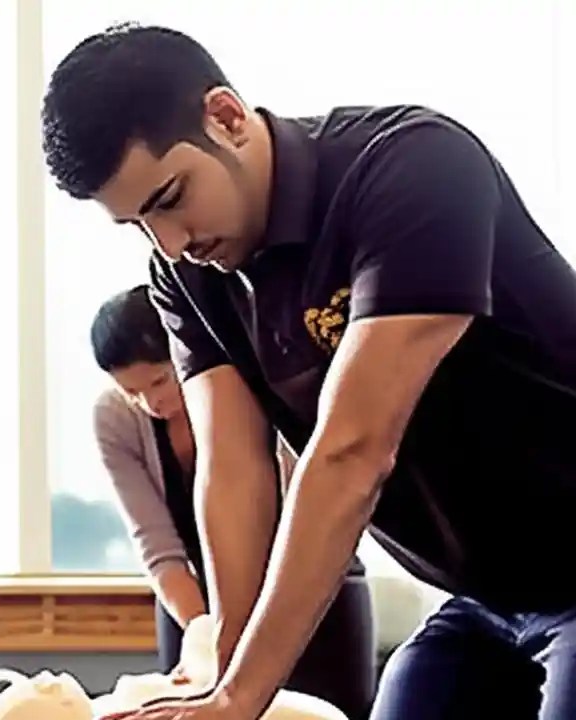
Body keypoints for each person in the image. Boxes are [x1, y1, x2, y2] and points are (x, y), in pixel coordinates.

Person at [42, 22, 576, 720]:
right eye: (138, 224)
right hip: (487, 602)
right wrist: (223, 680)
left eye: (170, 199)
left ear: (226, 117)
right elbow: (233, 471)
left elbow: (354, 451)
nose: (170, 245)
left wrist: (241, 697)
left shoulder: (413, 168)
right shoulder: (189, 278)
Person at [90, 286, 376, 719]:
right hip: (195, 598)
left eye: (160, 381)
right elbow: (155, 543)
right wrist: (204, 635)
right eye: (133, 392)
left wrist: (257, 649)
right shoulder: (115, 418)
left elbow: (306, 509)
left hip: (311, 574)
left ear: (184, 353)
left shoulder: (249, 387)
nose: (151, 403)